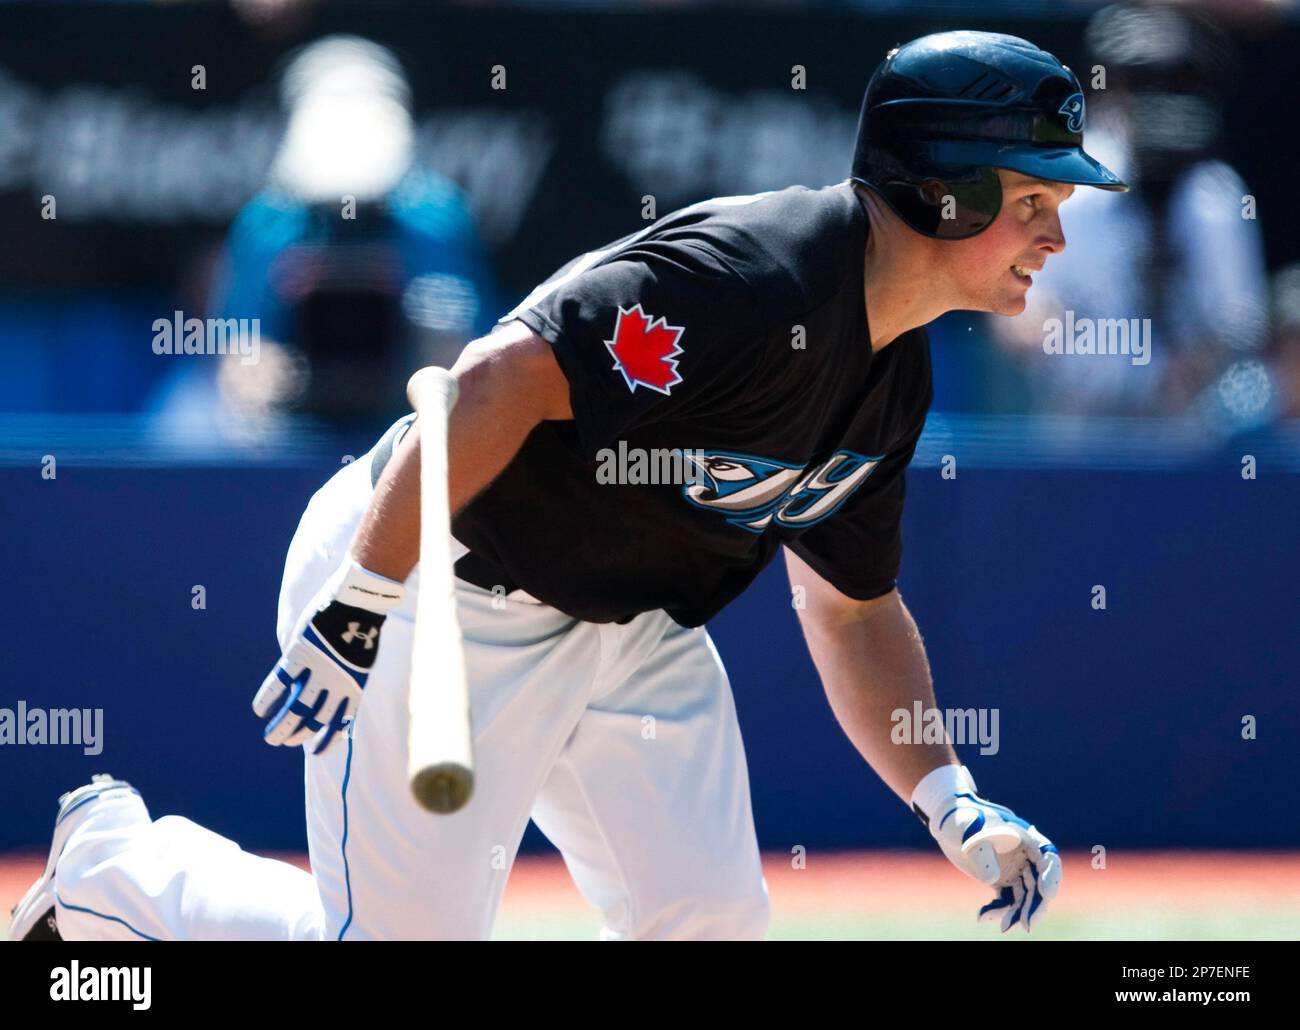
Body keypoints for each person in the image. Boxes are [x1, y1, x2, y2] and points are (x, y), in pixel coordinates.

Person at [12, 31, 1126, 942]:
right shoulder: (752, 277)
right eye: (1033, 198)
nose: (1057, 234)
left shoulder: (892, 368)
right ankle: (115, 871)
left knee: (709, 926)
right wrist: (363, 597)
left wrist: (946, 796)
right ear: (942, 192)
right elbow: (489, 383)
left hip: (629, 627)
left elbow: (850, 608)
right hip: (440, 582)